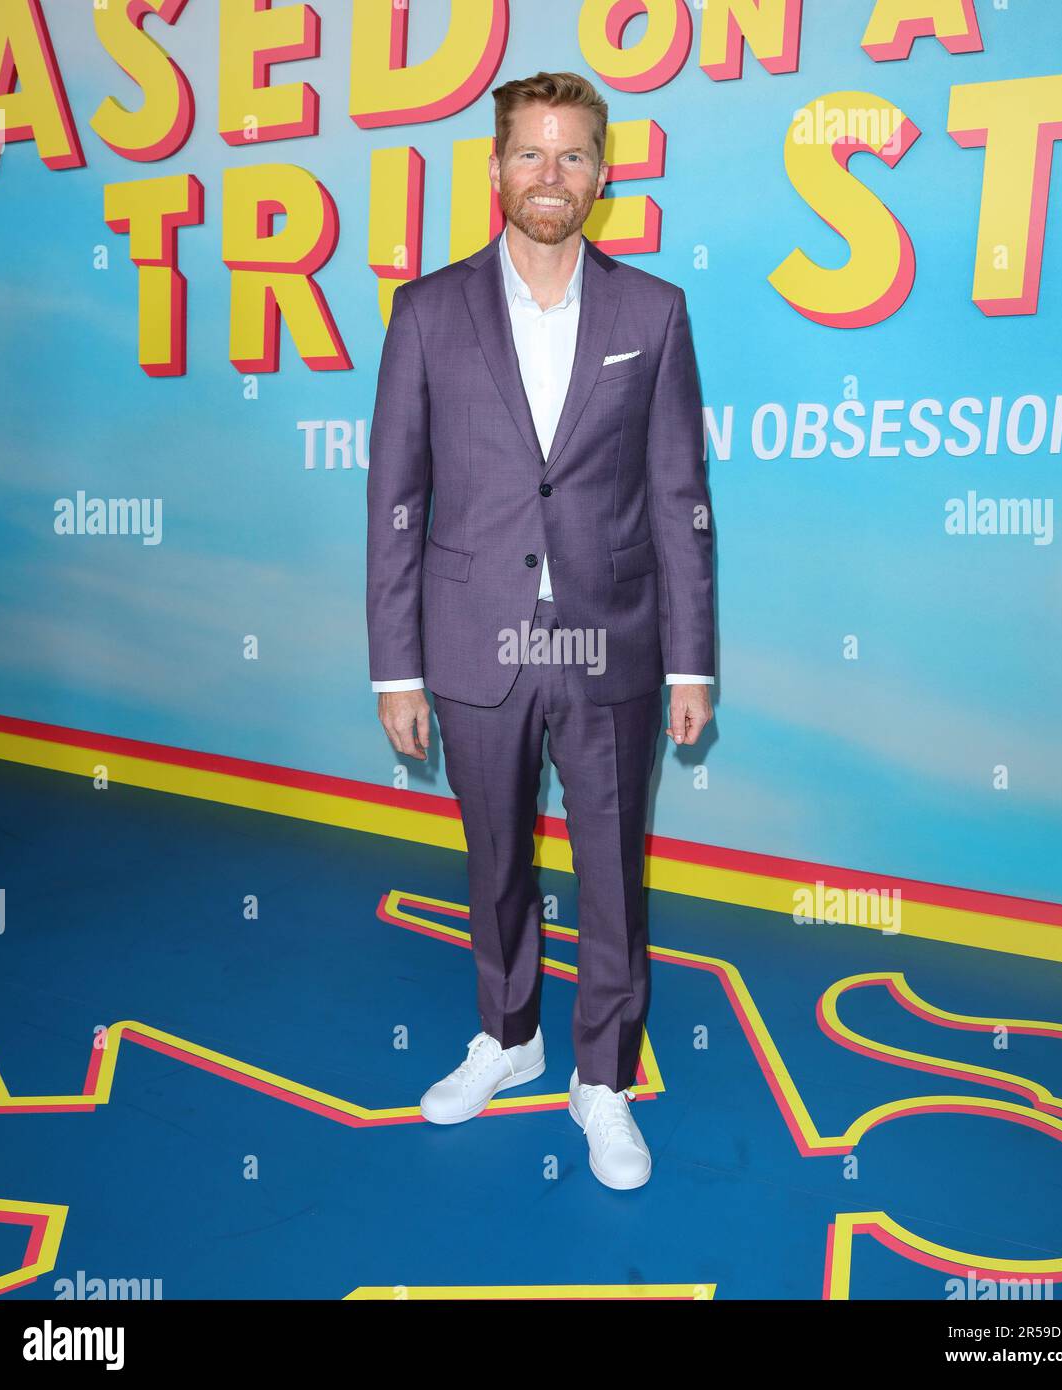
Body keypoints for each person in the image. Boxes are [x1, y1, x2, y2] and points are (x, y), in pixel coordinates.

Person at [366, 70, 714, 1190]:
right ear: (495, 167)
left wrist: (688, 659)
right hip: (475, 640)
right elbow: (396, 500)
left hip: (611, 640)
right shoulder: (424, 311)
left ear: (601, 174)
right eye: (529, 153)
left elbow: (676, 494)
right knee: (495, 857)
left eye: (572, 155)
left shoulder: (651, 311)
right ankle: (508, 1037)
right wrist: (395, 667)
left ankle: (601, 1077)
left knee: (612, 869)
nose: (549, 176)